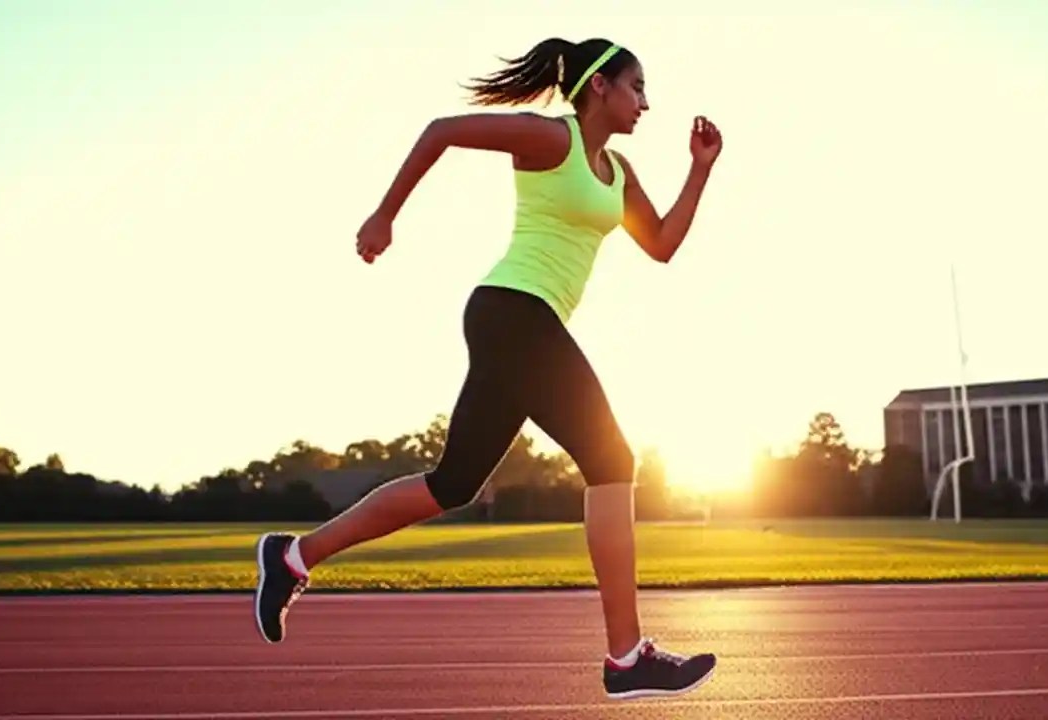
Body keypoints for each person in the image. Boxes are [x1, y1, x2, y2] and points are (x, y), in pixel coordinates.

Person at [252, 36, 723, 701]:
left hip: (520, 323)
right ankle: (627, 657)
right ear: (599, 88)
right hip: (513, 311)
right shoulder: (547, 140)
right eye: (637, 87)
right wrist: (385, 216)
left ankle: (292, 556)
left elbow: (663, 246)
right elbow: (441, 131)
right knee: (613, 459)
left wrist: (700, 168)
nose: (646, 102)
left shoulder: (618, 174)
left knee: (454, 483)